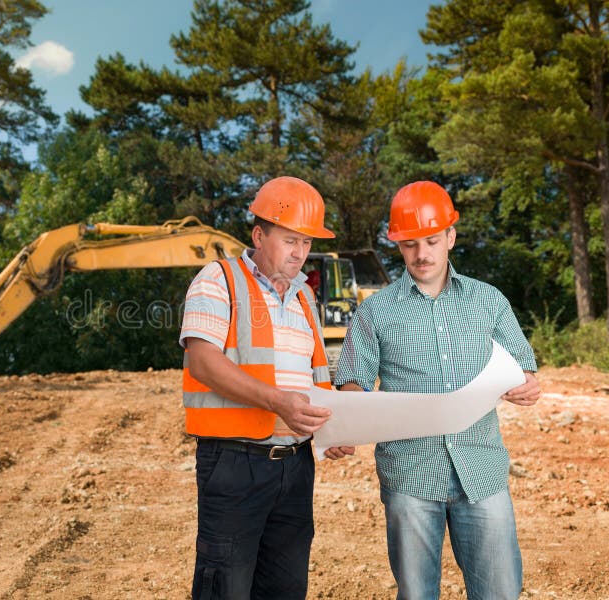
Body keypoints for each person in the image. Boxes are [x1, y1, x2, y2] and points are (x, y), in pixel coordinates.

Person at [328, 181, 541, 600]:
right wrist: (348, 422)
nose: (421, 253)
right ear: (398, 245)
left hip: (481, 469)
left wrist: (528, 386)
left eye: (431, 240)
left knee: (499, 591)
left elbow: (524, 370)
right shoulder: (376, 310)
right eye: (409, 244)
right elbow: (353, 379)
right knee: (417, 594)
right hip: (409, 474)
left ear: (450, 237)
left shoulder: (489, 301)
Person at [180, 175, 346, 599]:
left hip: (295, 467)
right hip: (235, 463)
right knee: (226, 588)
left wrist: (334, 432)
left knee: (285, 588)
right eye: (291, 240)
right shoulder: (218, 280)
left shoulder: (305, 298)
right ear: (259, 234)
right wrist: (276, 402)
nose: (300, 253)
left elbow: (314, 380)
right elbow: (202, 360)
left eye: (306, 243)